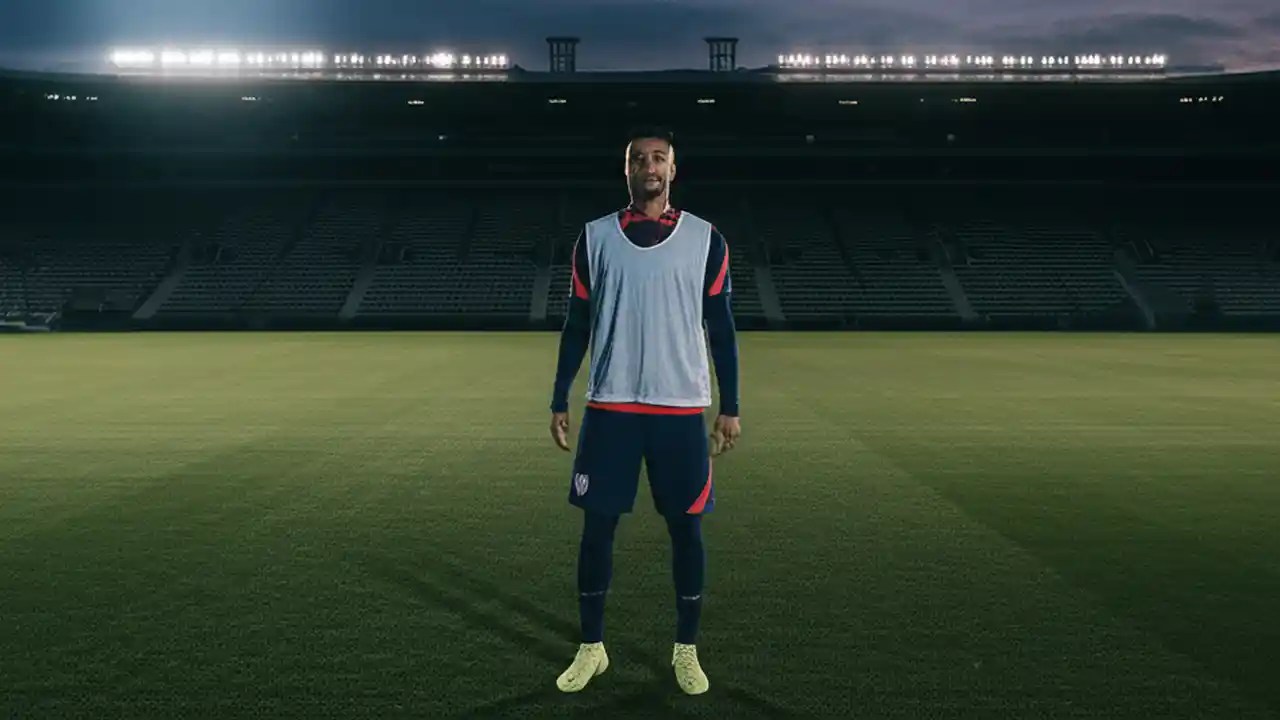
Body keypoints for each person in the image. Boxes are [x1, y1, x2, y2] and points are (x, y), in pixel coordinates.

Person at [548, 127, 741, 695]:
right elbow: (577, 323)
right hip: (610, 406)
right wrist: (560, 395)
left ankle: (686, 649)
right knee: (596, 532)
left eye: (659, 158)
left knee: (687, 532)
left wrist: (730, 406)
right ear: (625, 170)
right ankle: (591, 648)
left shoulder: (708, 239)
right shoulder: (595, 238)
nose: (648, 166)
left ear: (673, 171)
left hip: (680, 408)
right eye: (638, 158)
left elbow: (722, 328)